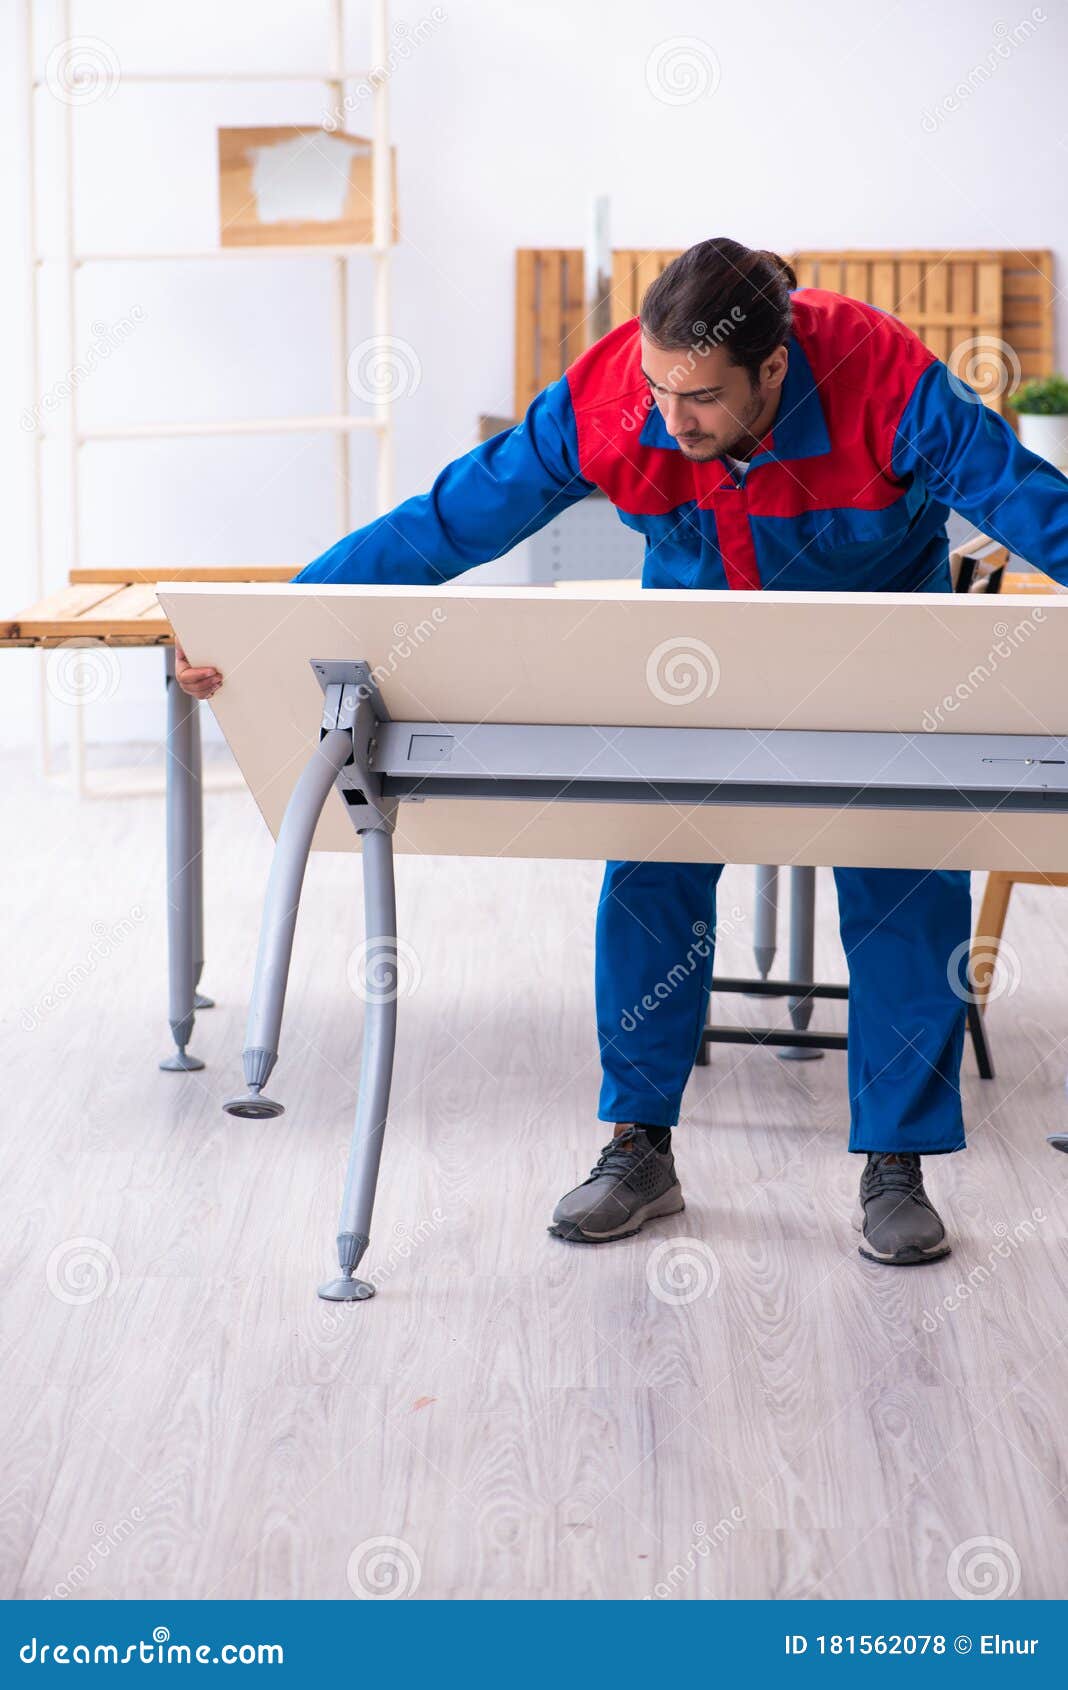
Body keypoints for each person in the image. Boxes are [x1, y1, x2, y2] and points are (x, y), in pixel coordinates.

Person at [176, 235, 1068, 1267]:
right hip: (690, 652)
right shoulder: (612, 397)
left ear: (773, 369)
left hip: (876, 642)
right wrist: (274, 632)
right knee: (651, 865)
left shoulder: (887, 379)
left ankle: (897, 1165)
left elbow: (1031, 502)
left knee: (904, 871)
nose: (667, 418)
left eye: (698, 399)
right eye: (657, 389)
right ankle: (638, 1145)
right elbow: (449, 522)